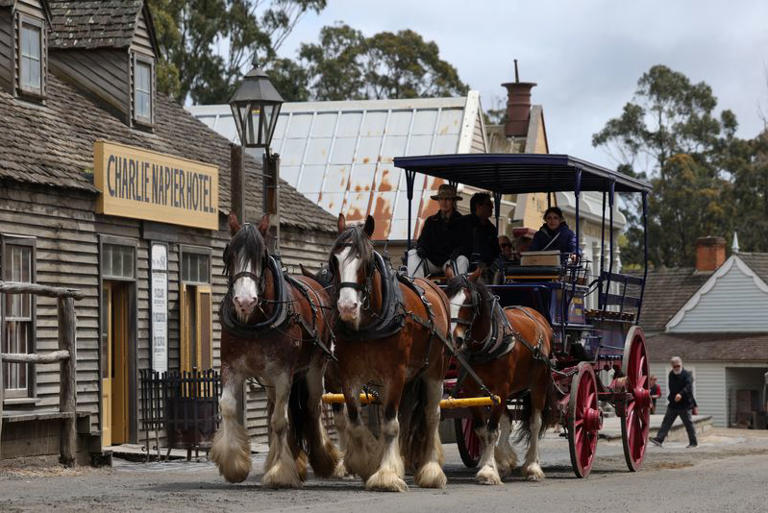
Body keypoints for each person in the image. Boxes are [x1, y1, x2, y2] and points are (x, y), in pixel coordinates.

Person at [406, 184, 468, 278]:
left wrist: (456, 254)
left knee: (463, 259)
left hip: (450, 262)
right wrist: (421, 249)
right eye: (441, 199)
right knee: (412, 253)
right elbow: (422, 242)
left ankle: (458, 289)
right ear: (438, 201)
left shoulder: (461, 221)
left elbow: (465, 245)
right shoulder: (431, 221)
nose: (444, 202)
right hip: (432, 262)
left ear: (453, 201)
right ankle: (417, 287)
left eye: (447, 199)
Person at [650, 357, 698, 448]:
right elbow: (672, 388)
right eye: (674, 366)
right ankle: (659, 439)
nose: (676, 368)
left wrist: (680, 394)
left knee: (688, 423)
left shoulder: (687, 374)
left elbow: (688, 387)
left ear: (681, 364)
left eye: (678, 365)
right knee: (666, 421)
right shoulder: (671, 374)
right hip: (673, 403)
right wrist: (673, 398)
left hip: (685, 404)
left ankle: (693, 442)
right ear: (672, 366)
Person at [459, 192, 500, 273]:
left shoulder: (491, 229)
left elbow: (496, 252)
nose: (492, 206)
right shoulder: (463, 223)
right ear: (478, 206)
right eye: (488, 204)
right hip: (466, 266)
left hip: (487, 269)